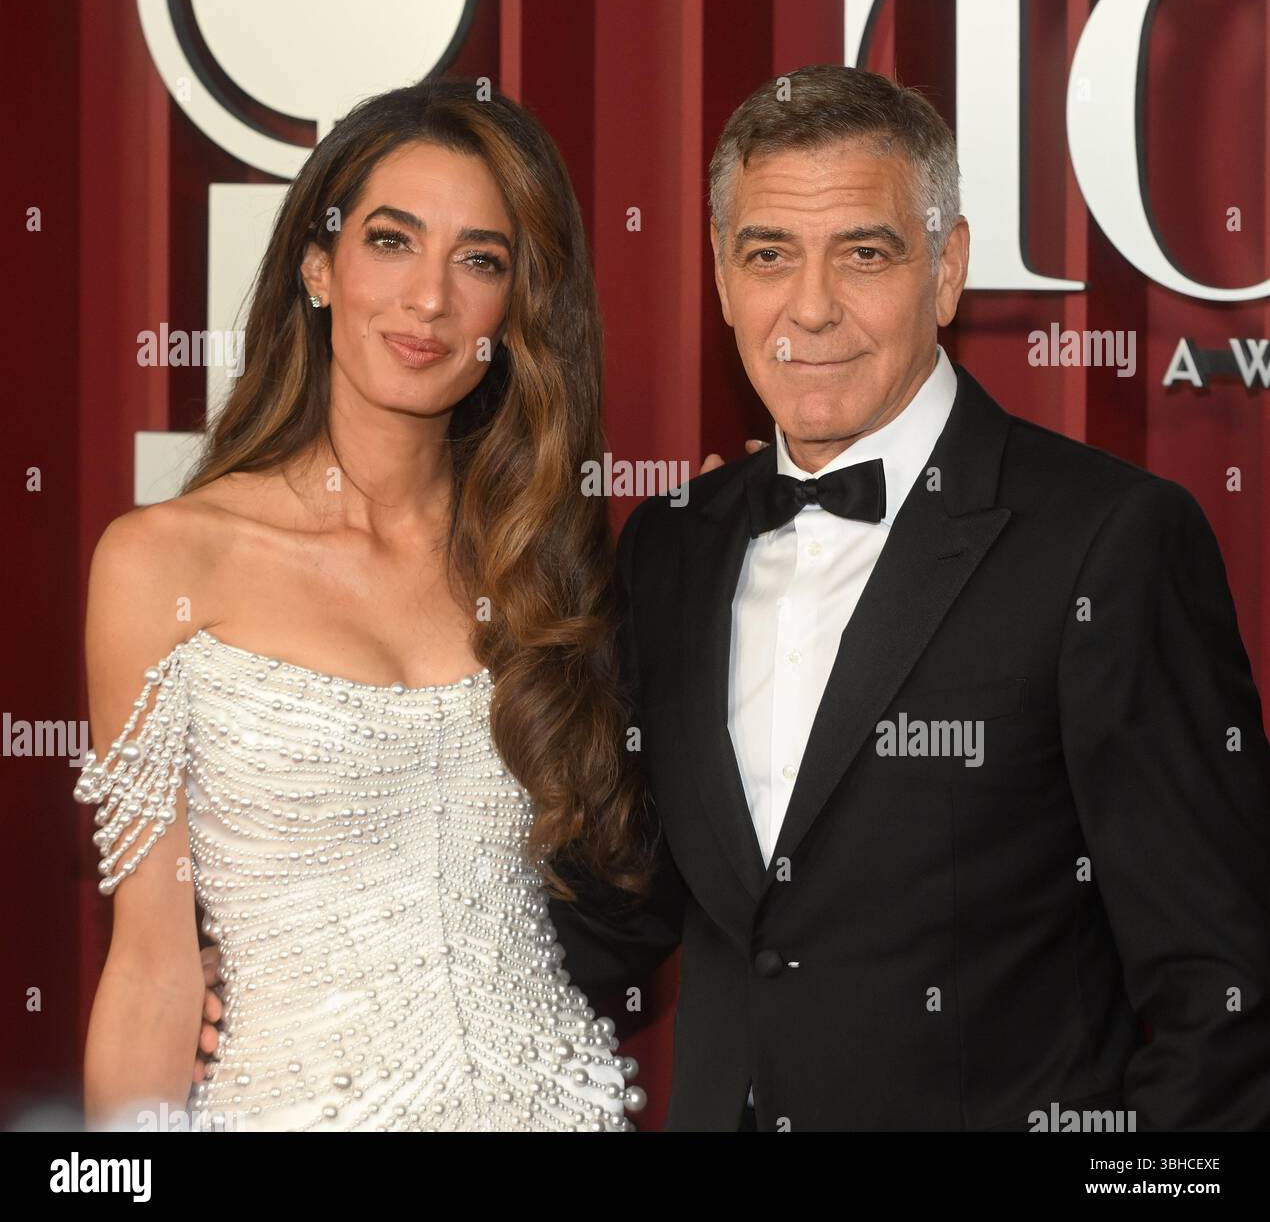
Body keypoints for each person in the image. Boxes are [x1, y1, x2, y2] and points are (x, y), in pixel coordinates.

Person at [550, 64, 1270, 1130]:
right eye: (767, 255)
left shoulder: (1104, 543)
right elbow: (630, 904)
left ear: (947, 268)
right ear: (718, 274)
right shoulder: (669, 543)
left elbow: (1225, 986)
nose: (809, 306)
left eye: (865, 253)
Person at [74, 77, 651, 1132]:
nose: (428, 299)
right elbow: (153, 970)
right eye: (392, 241)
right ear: (317, 265)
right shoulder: (161, 563)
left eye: (479, 259)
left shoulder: (544, 564)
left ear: (517, 309)